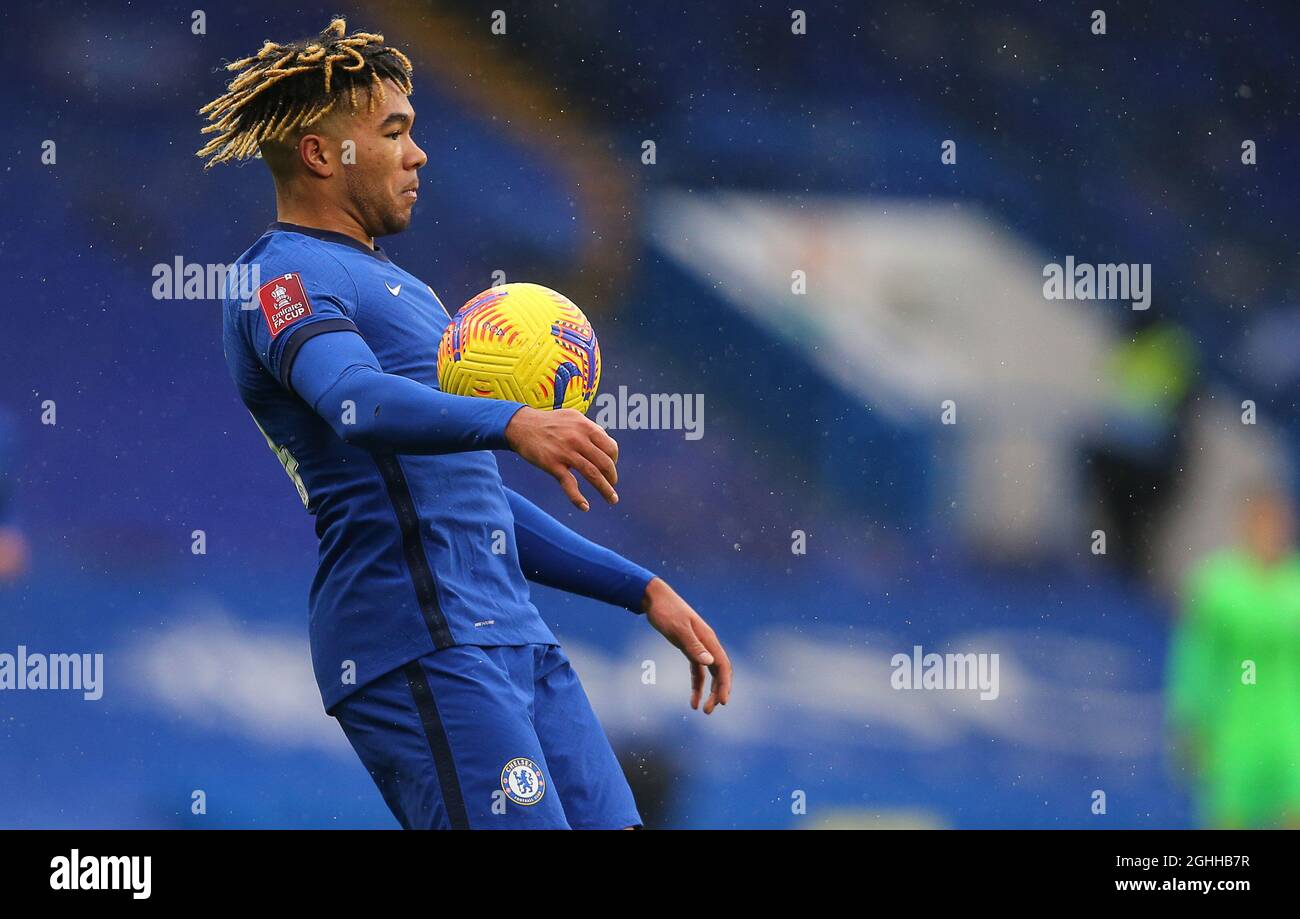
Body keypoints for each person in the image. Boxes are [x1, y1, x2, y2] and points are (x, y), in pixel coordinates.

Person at [202, 18, 731, 829]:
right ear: (320, 154)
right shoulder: (280, 277)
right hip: (417, 636)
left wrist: (641, 588)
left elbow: (468, 500)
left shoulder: (412, 293)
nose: (419, 155)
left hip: (513, 636)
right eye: (395, 132)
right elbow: (353, 401)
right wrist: (514, 419)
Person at [1167, 484, 1300, 827]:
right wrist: (1189, 723)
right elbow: (1194, 660)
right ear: (1244, 526)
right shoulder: (1217, 586)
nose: (1269, 532)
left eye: (1276, 523)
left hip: (1290, 732)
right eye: (1260, 522)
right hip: (1234, 732)